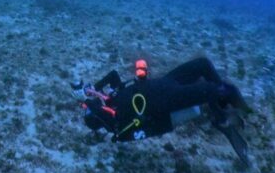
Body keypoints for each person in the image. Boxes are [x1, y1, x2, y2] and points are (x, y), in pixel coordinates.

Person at [72, 56, 252, 166]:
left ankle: (220, 114)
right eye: (92, 111)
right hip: (165, 101)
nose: (97, 101)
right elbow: (100, 111)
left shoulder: (111, 99)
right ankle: (240, 114)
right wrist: (85, 100)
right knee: (218, 89)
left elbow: (113, 75)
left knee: (202, 64)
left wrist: (93, 88)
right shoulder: (115, 124)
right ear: (97, 119)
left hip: (164, 82)